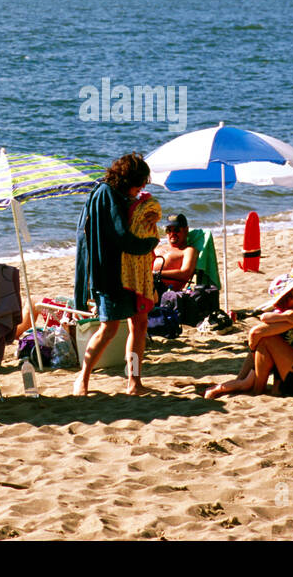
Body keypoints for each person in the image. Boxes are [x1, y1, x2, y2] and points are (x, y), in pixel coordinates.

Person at [73, 153, 160, 396]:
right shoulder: (106, 194)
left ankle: (134, 380)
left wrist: (150, 213)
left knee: (139, 324)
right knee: (108, 328)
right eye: (140, 182)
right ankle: (83, 377)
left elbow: (135, 214)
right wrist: (150, 243)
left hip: (133, 274)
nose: (142, 187)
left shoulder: (121, 195)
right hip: (110, 273)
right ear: (129, 179)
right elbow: (121, 235)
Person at [204, 262, 293, 400]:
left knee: (265, 338)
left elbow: (255, 333)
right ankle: (243, 382)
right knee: (272, 336)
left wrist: (253, 351)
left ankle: (253, 387)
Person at [152, 214, 199, 292]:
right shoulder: (160, 247)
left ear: (186, 230)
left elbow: (185, 273)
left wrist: (155, 274)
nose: (172, 233)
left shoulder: (188, 250)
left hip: (163, 289)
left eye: (176, 230)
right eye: (168, 230)